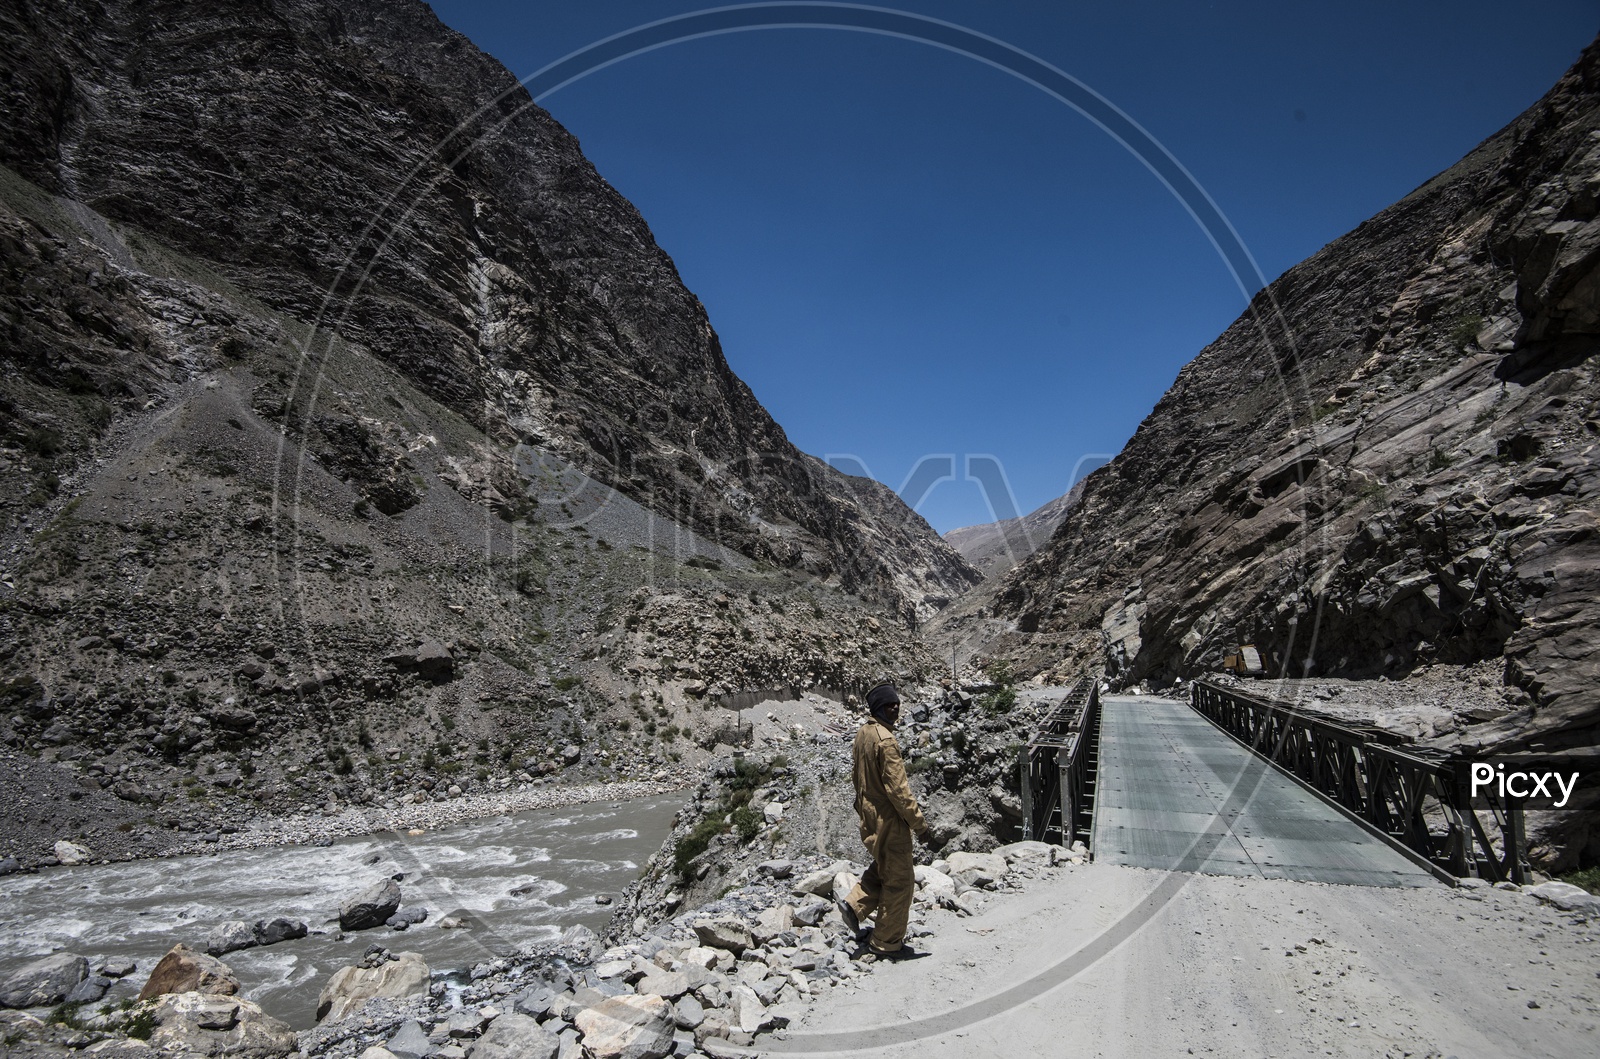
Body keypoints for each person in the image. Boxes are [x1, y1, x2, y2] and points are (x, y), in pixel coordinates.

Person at [839, 680, 932, 959]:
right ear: (878, 707)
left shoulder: (863, 733)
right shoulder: (887, 741)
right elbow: (899, 791)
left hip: (869, 815)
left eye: (897, 704)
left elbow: (857, 777)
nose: (895, 709)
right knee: (900, 880)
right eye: (889, 705)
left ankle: (855, 904)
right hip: (889, 820)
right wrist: (920, 825)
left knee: (885, 864)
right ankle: (887, 943)